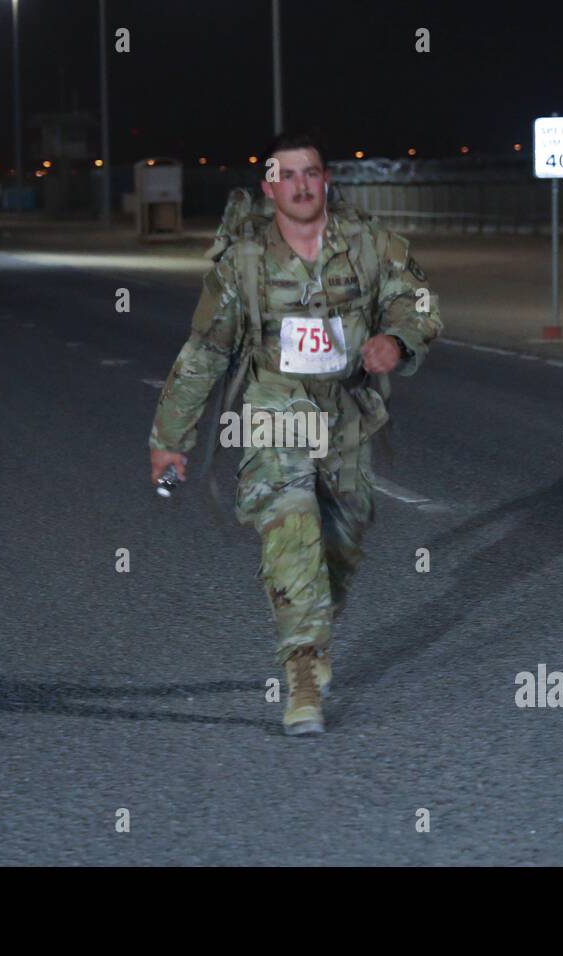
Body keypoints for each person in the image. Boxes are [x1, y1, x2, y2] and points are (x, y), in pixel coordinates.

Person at [147, 132, 443, 735]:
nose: (301, 185)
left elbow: (419, 303)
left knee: (342, 541)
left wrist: (398, 339)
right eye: (288, 175)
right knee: (291, 524)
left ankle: (313, 628)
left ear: (325, 179)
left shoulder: (368, 243)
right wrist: (169, 437)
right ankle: (303, 674)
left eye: (311, 173)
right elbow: (205, 350)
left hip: (350, 411)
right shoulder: (244, 262)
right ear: (269, 186)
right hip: (275, 407)